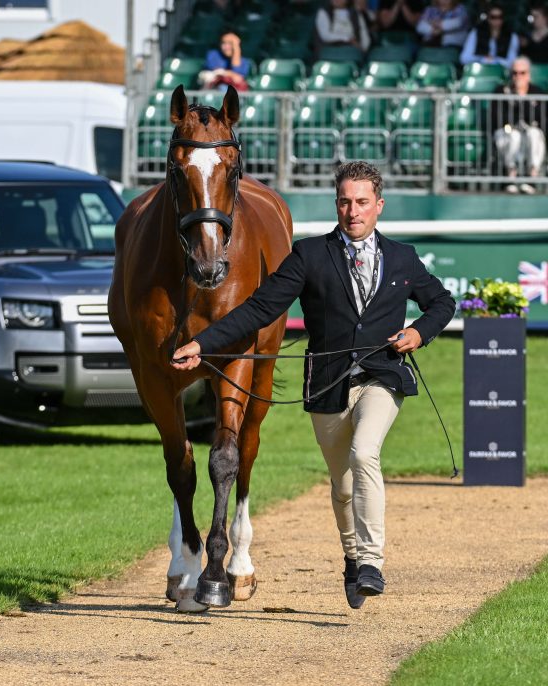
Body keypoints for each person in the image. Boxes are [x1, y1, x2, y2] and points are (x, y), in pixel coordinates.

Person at [171, 161, 455, 610]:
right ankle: (352, 557)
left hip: (382, 377)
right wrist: (202, 344)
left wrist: (420, 332)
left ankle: (372, 563)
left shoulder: (403, 257)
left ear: (379, 206)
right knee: (342, 486)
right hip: (327, 387)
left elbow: (442, 302)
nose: (352, 211)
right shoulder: (309, 255)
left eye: (362, 202)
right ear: (336, 204)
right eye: (344, 202)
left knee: (365, 453)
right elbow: (259, 308)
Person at [491, 56, 547, 193]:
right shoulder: (501, 90)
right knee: (514, 136)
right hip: (506, 131)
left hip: (528, 131)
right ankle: (511, 176)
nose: (518, 76)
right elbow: (498, 117)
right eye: (514, 73)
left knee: (534, 134)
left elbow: (538, 117)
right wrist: (515, 97)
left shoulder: (536, 91)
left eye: (522, 73)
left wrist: (523, 99)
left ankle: (532, 176)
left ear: (529, 74)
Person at [460, 3, 520, 69]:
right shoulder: (476, 33)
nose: (497, 20)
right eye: (493, 17)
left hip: (501, 72)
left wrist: (495, 60)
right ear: (488, 18)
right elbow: (464, 59)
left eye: (500, 17)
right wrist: (483, 59)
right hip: (480, 71)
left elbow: (513, 62)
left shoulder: (512, 36)